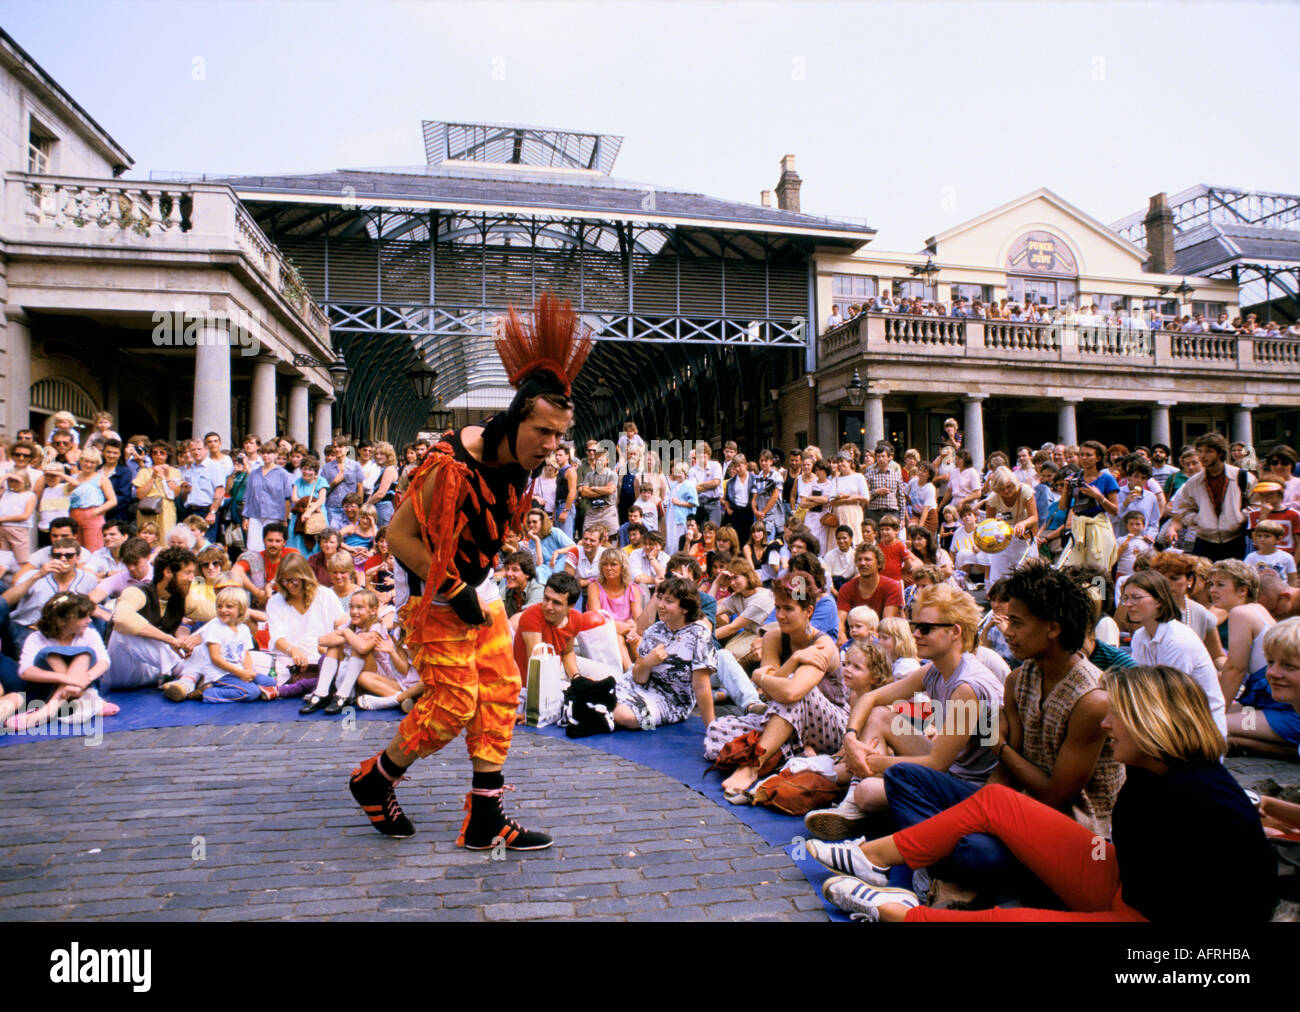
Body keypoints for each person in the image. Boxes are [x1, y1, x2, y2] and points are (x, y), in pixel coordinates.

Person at [347, 292, 589, 850]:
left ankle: (486, 818)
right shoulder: (451, 463)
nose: (551, 447)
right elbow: (398, 537)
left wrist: (478, 579)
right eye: (543, 434)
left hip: (478, 592)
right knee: (453, 704)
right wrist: (454, 587)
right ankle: (373, 781)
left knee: (502, 693)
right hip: (432, 596)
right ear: (514, 419)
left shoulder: (520, 461)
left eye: (559, 436)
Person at [810, 665, 1276, 923]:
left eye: (1117, 717)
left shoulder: (1198, 792)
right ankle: (874, 856)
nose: (1107, 725)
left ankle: (902, 914)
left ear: (1151, 723)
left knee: (1010, 921)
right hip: (1126, 883)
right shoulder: (1156, 771)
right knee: (997, 804)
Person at [835, 584, 1003, 817]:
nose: (915, 634)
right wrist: (850, 737)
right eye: (915, 626)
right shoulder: (935, 670)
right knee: (879, 714)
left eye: (925, 628)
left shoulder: (967, 686)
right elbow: (873, 697)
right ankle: (855, 799)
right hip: (951, 770)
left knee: (868, 792)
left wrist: (869, 762)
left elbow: (937, 764)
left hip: (969, 788)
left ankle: (856, 795)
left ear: (955, 631)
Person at [709, 571, 845, 801]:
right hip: (785, 717)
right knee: (716, 731)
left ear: (808, 611)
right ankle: (795, 755)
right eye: (778, 608)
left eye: (789, 609)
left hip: (829, 723)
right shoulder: (774, 637)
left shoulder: (822, 645)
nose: (780, 615)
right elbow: (768, 693)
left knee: (796, 693)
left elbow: (791, 691)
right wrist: (792, 662)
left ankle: (755, 765)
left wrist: (763, 677)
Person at [609, 575, 716, 731]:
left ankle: (608, 710)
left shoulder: (699, 634)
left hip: (672, 701)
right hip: (636, 686)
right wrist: (647, 663)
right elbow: (638, 677)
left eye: (669, 601)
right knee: (602, 697)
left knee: (626, 717)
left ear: (685, 608)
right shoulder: (655, 630)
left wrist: (711, 727)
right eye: (660, 599)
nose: (661, 605)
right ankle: (608, 708)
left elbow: (701, 685)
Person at [4, 592, 113, 730]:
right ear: (65, 620)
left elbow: (104, 661)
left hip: (79, 686)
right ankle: (87, 697)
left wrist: (83, 680)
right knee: (50, 654)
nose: (89, 620)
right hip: (48, 690)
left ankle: (50, 709)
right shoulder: (36, 638)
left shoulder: (89, 633)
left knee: (85, 654)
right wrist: (68, 678)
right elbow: (25, 671)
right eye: (83, 617)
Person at [104, 547, 200, 691]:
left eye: (193, 573)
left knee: (219, 623)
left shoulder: (182, 597)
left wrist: (196, 639)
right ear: (167, 572)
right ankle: (184, 674)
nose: (192, 578)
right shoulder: (136, 592)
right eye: (187, 573)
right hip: (122, 673)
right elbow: (122, 619)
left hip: (153, 671)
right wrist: (170, 640)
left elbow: (219, 612)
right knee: (124, 632)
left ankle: (188, 676)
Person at [267, 552, 347, 698]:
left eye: (294, 580)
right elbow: (277, 637)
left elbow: (341, 625)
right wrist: (293, 650)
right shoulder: (275, 602)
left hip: (322, 658)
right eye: (285, 581)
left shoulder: (325, 595)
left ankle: (301, 687)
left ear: (304, 577)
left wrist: (329, 643)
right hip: (288, 660)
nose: (290, 585)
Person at [1170, 432, 1253, 561]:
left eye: (1208, 451)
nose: (1202, 456)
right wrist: (1198, 520)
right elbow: (1184, 508)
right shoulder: (1193, 482)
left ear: (1220, 453)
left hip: (1235, 539)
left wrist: (1240, 518)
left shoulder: (1241, 476)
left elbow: (1255, 504)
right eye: (1199, 451)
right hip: (1205, 540)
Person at [836, 543, 903, 643]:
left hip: (885, 639)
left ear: (879, 564)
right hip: (854, 639)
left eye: (868, 559)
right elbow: (839, 621)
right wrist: (841, 635)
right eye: (859, 560)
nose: (863, 563)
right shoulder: (846, 588)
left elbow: (886, 624)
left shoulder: (892, 586)